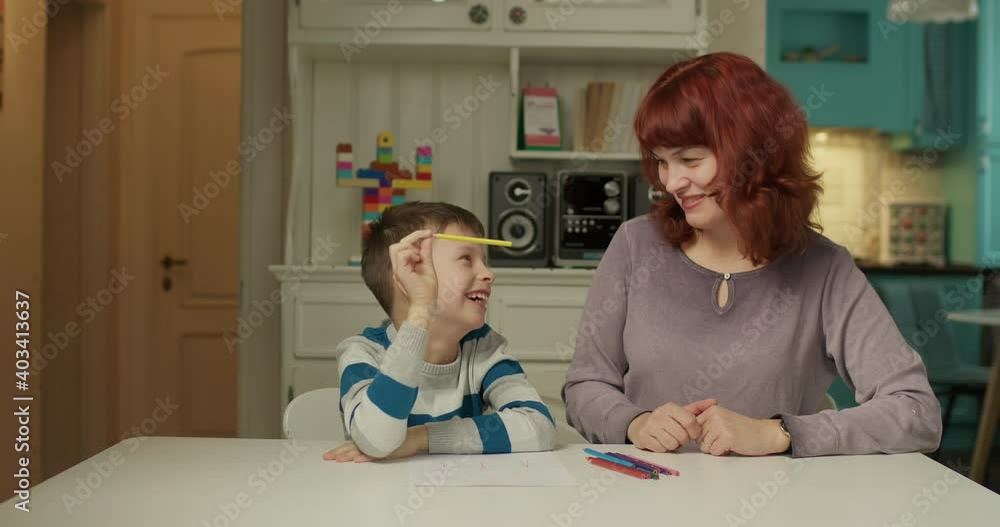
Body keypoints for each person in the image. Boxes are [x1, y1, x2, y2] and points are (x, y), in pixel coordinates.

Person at [561, 52, 942, 457]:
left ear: (753, 153)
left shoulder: (823, 267)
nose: (671, 182)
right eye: (661, 162)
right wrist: (634, 423)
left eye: (690, 160)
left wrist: (781, 433)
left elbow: (917, 412)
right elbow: (585, 385)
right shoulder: (635, 246)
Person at [325, 202, 555, 462]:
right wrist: (421, 308)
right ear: (408, 274)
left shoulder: (484, 348)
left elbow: (539, 426)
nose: (488, 274)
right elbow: (377, 441)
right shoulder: (362, 352)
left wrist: (420, 438)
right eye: (466, 259)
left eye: (484, 261)